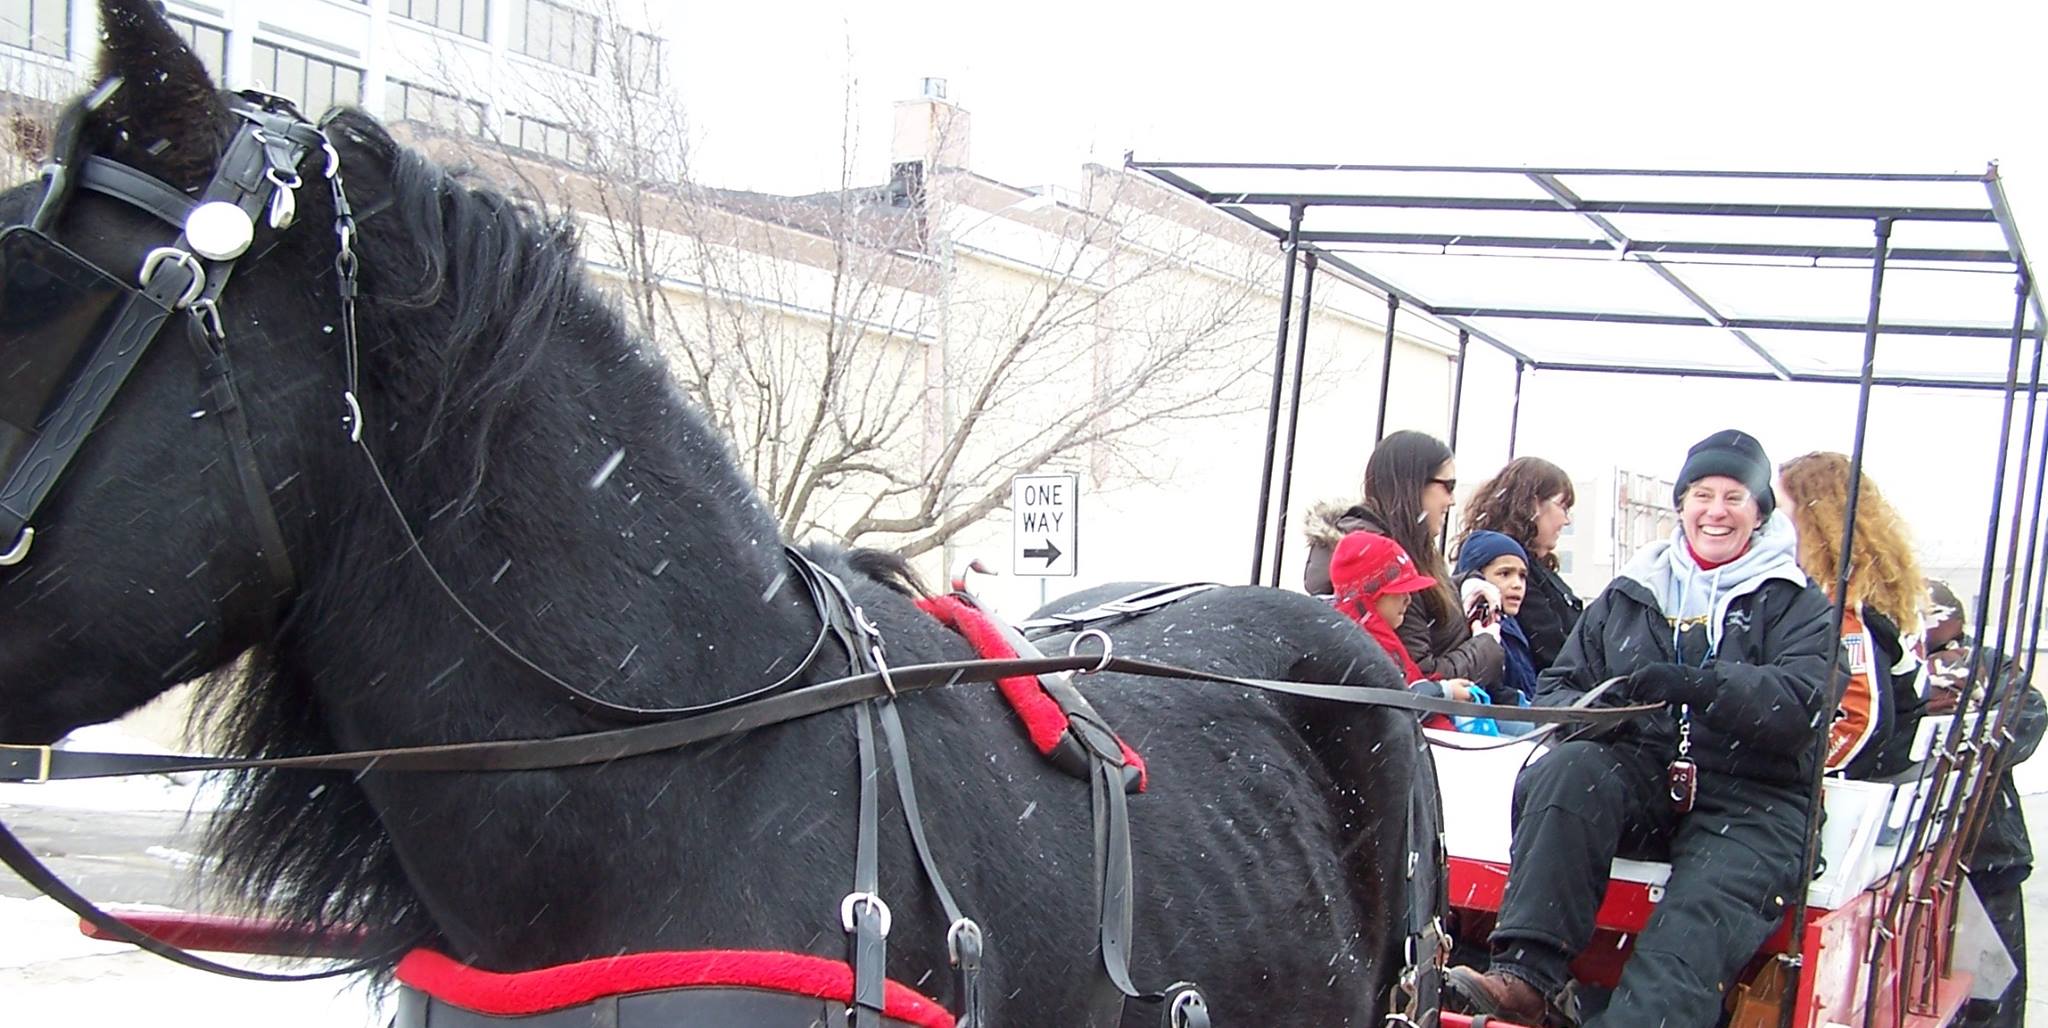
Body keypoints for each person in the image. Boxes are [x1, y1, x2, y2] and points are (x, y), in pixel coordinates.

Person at [1444, 429, 1834, 1028]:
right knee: (1568, 773)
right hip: (1648, 777)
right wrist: (1610, 715)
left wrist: (1701, 686)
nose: (1716, 511)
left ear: (1758, 512)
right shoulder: (1632, 592)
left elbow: (1800, 707)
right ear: (1682, 505)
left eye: (1734, 497)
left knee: (1693, 928)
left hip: (1753, 797)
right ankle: (1526, 976)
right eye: (1702, 494)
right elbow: (1561, 690)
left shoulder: (1796, 602)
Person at [1924, 580, 2043, 1028]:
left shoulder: (1991, 664)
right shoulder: (1898, 665)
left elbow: (2028, 717)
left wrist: (1968, 731)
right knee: (1925, 995)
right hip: (1915, 867)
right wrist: (1921, 713)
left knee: (1993, 991)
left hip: (1988, 858)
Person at [1304, 430, 1504, 685]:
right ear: (1412, 485)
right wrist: (1487, 644)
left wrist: (1466, 582)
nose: (1452, 500)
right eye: (1448, 486)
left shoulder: (1394, 552)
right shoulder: (1384, 569)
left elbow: (1426, 608)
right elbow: (1420, 680)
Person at [1777, 451, 1927, 780]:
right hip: (1895, 769)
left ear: (1813, 520)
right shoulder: (1876, 590)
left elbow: (1859, 720)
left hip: (1863, 785)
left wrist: (1799, 777)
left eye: (1780, 511)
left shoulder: (1844, 606)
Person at [1328, 531, 1480, 727]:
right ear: (1372, 594)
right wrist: (1443, 692)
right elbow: (1391, 710)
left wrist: (1440, 689)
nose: (1408, 599)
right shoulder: (1359, 648)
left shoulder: (1372, 637)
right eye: (1399, 591)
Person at [1459, 457, 1585, 671]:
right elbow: (1553, 649)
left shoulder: (1533, 568)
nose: (1566, 520)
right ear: (1534, 504)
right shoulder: (1511, 570)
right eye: (1562, 506)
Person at [1454, 530, 1539, 714]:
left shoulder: (1510, 624)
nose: (1517, 584)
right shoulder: (1468, 626)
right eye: (1505, 573)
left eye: (1522, 576)